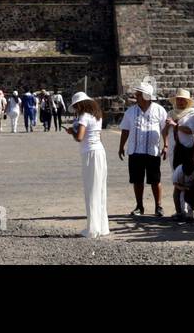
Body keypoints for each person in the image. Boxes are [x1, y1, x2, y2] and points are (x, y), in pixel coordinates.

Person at [117, 81, 170, 217]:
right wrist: (121, 146)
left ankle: (158, 206)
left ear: (146, 96)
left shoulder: (159, 110)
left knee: (155, 180)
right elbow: (125, 130)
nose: (136, 96)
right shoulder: (130, 111)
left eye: (139, 94)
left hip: (152, 151)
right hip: (135, 151)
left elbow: (165, 128)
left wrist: (166, 145)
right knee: (137, 180)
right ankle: (139, 206)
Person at [67, 92, 109, 237]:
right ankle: (102, 227)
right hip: (99, 151)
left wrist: (72, 131)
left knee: (91, 190)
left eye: (76, 106)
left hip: (90, 153)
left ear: (80, 104)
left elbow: (79, 137)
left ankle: (92, 229)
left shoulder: (84, 116)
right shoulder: (97, 115)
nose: (76, 109)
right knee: (100, 190)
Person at [167, 88, 194, 171]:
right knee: (175, 174)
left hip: (188, 147)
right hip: (174, 147)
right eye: (178, 99)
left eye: (182, 100)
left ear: (187, 101)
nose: (179, 101)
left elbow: (190, 130)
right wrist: (165, 144)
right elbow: (165, 130)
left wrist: (175, 125)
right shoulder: (171, 113)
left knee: (189, 175)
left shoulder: (193, 113)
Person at [171, 158, 194, 223]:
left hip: (193, 184)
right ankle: (179, 213)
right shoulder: (178, 171)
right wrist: (183, 188)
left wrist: (192, 191)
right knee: (175, 194)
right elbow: (175, 184)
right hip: (180, 185)